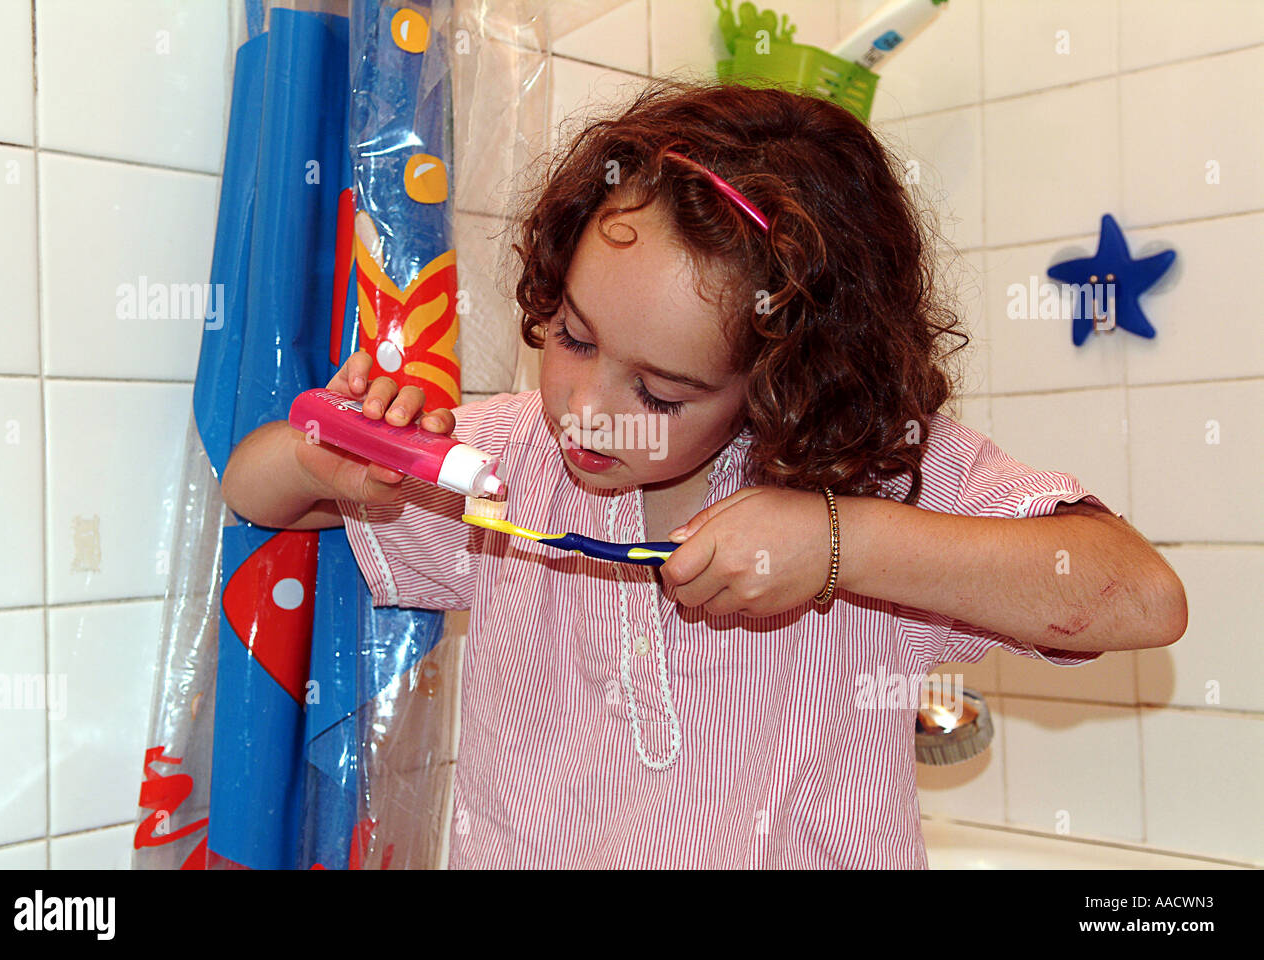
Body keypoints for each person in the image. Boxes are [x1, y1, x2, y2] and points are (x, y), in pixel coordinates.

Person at [221, 79, 1187, 868]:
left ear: (778, 385)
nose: (586, 407)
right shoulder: (509, 460)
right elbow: (256, 491)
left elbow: (1141, 600)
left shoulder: (874, 472)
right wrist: (327, 457)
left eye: (661, 390)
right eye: (573, 337)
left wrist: (840, 543)